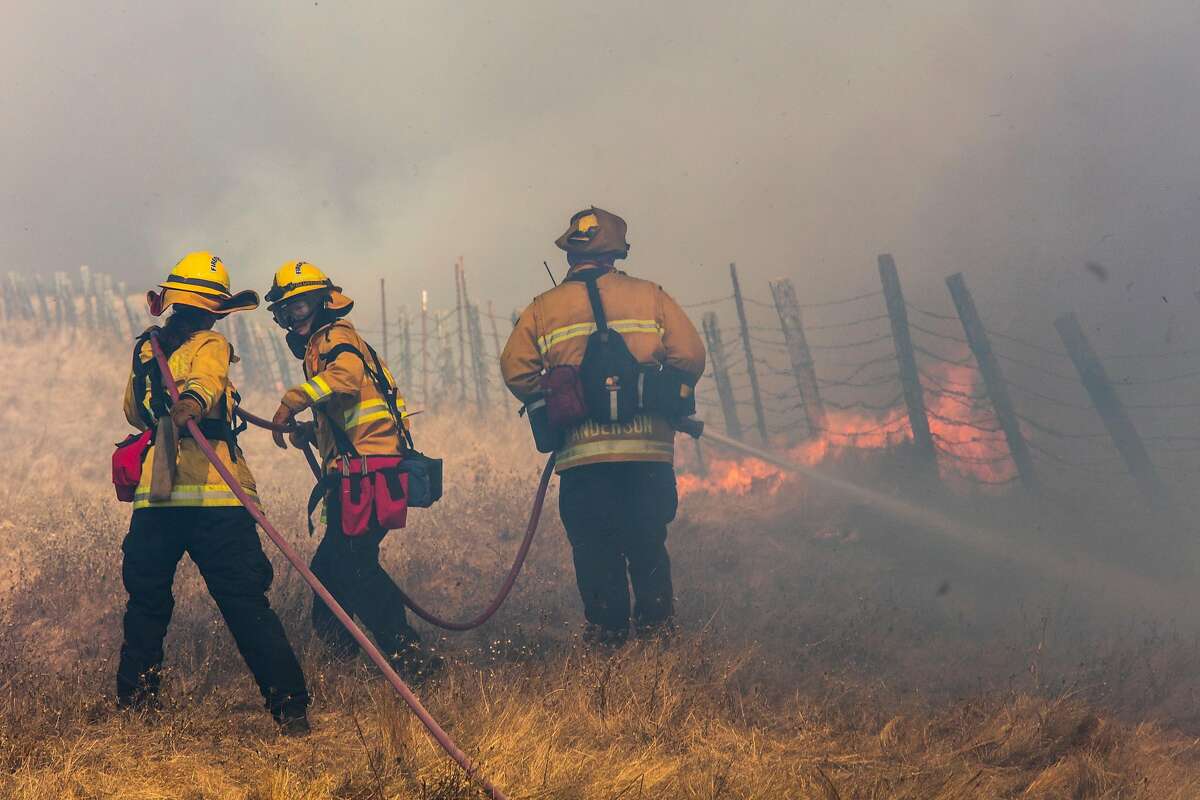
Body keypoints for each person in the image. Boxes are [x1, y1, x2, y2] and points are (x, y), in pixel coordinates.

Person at [118, 252, 310, 734]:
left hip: (157, 496)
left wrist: (178, 407)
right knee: (245, 603)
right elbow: (207, 380)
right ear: (212, 309)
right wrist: (194, 401)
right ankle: (291, 711)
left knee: (146, 604)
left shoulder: (146, 350)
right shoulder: (211, 343)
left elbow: (132, 412)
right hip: (217, 499)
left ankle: (137, 710)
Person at [501, 208, 706, 646]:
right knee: (647, 541)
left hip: (583, 459)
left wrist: (554, 395)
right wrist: (653, 389)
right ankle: (658, 637)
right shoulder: (650, 294)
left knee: (595, 550)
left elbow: (516, 370)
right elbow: (690, 355)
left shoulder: (543, 307)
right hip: (648, 454)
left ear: (571, 256)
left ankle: (608, 640)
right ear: (616, 252)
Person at [265, 261, 440, 678]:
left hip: (369, 473)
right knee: (331, 567)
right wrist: (314, 428)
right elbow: (351, 405)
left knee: (352, 566)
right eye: (288, 311)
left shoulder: (336, 337)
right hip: (359, 469)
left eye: (302, 306)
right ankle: (341, 658)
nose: (295, 317)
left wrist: (293, 400)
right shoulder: (321, 344)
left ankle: (409, 658)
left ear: (324, 303)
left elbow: (345, 378)